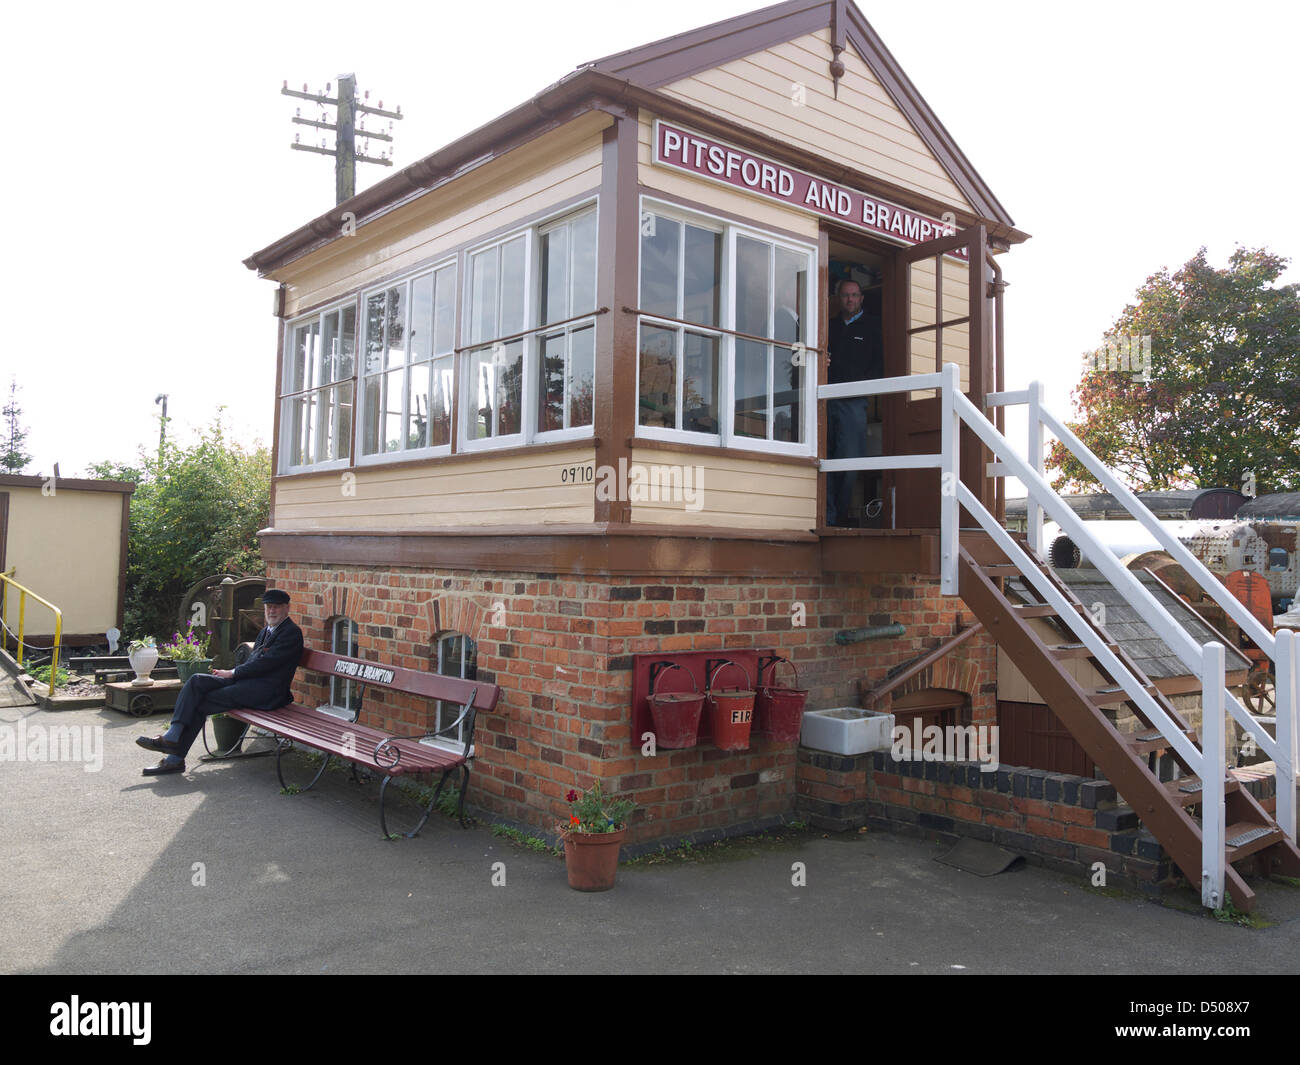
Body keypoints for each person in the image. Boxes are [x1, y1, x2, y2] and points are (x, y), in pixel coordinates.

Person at [137, 589, 304, 776]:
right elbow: (254, 663)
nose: (271, 611)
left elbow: (266, 664)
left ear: (287, 608)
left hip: (268, 693)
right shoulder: (266, 631)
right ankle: (172, 734)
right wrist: (232, 675)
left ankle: (174, 759)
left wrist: (232, 673)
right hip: (249, 684)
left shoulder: (291, 633)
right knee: (196, 681)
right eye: (268, 607)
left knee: (202, 702)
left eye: (277, 607)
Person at [826, 277, 884, 526]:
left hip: (855, 402)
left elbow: (880, 365)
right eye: (845, 295)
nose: (849, 299)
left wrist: (861, 384)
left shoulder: (873, 327)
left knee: (850, 460)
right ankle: (828, 516)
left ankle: (840, 514)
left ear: (861, 298)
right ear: (839, 299)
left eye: (854, 295)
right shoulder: (828, 327)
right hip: (826, 400)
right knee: (825, 459)